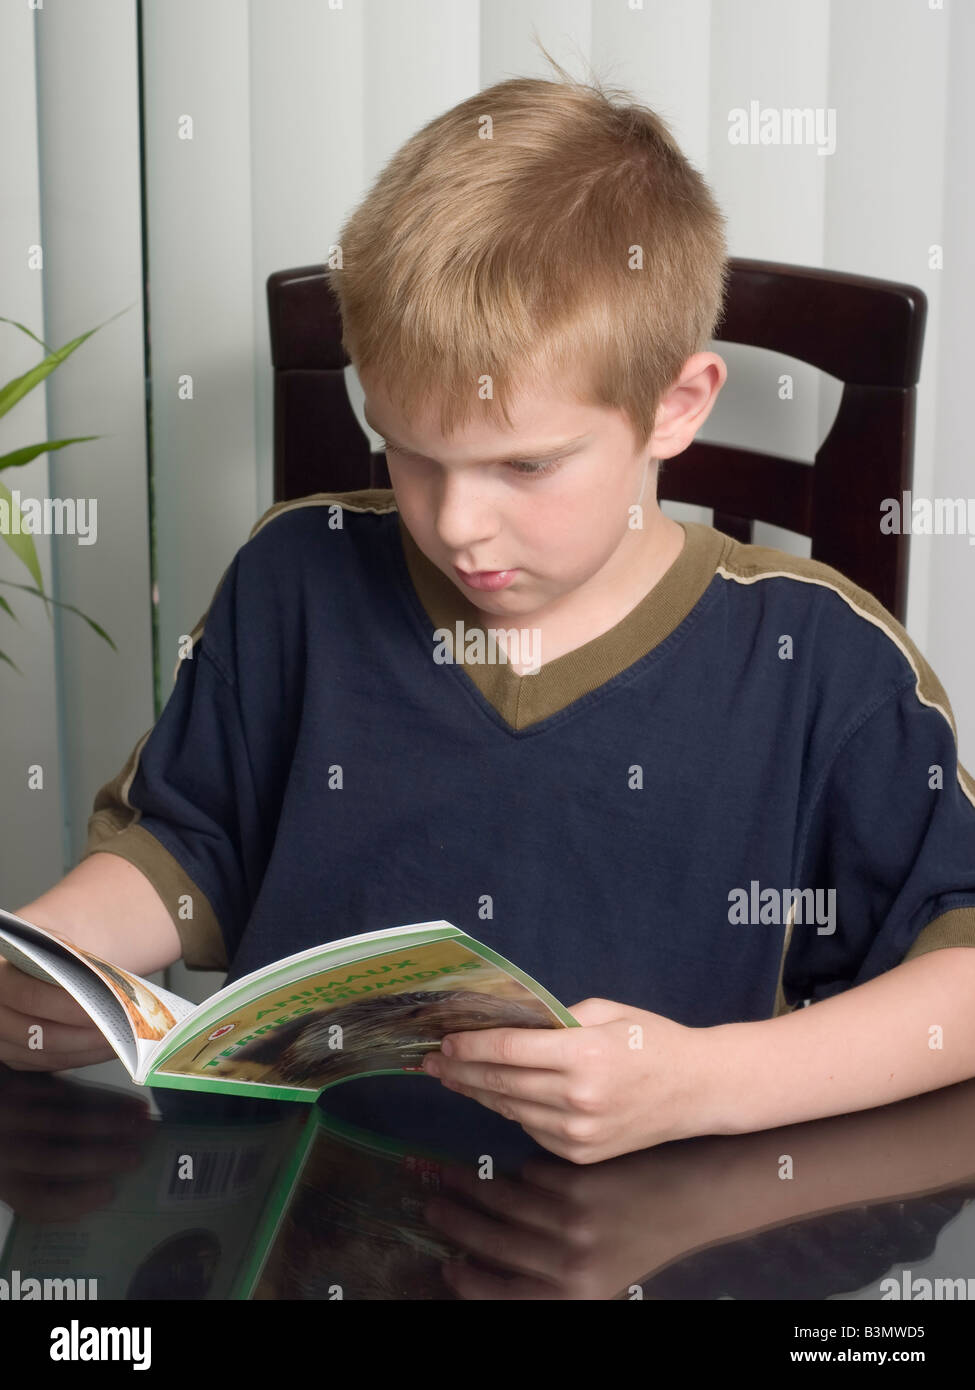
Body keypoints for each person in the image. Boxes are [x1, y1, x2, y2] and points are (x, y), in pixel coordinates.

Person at [4, 56, 975, 1167]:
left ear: (676, 406)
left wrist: (702, 1083)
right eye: (410, 452)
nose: (458, 522)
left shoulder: (823, 665)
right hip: (290, 1213)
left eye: (525, 465)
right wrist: (63, 959)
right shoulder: (297, 576)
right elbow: (187, 842)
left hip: (647, 1242)